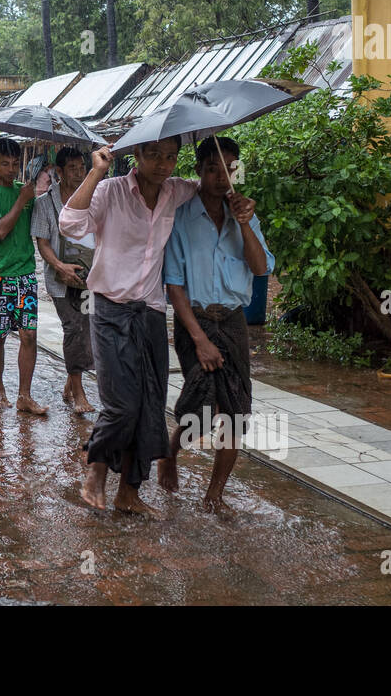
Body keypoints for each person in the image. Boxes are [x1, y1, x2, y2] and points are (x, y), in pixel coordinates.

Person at [61, 141, 199, 515]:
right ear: (136, 155)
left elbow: (210, 190)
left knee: (150, 407)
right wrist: (96, 170)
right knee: (120, 405)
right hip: (109, 309)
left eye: (171, 156)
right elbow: (70, 225)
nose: (163, 164)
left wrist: (239, 201)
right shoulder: (110, 190)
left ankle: (129, 492)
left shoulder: (177, 191)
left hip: (151, 312)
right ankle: (95, 471)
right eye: (153, 154)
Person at [165, 137, 274, 513]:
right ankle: (170, 451)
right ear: (198, 171)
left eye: (229, 168)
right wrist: (198, 340)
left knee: (235, 411)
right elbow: (174, 285)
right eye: (213, 168)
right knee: (201, 404)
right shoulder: (181, 217)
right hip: (193, 321)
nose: (221, 177)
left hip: (231, 321)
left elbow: (260, 268)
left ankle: (215, 494)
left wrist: (243, 223)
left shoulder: (245, 215)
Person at [0, 139, 45, 416]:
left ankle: (24, 395)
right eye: (5, 163)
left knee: (29, 335)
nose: (12, 169)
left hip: (25, 274)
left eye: (16, 164)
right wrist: (22, 200)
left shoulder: (25, 192)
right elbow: (1, 231)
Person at [32, 147, 96, 414]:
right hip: (60, 280)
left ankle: (71, 380)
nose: (79, 173)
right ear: (59, 172)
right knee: (73, 329)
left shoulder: (94, 198)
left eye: (82, 167)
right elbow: (42, 242)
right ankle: (80, 393)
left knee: (89, 330)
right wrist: (59, 266)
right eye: (73, 168)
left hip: (90, 277)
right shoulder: (45, 203)